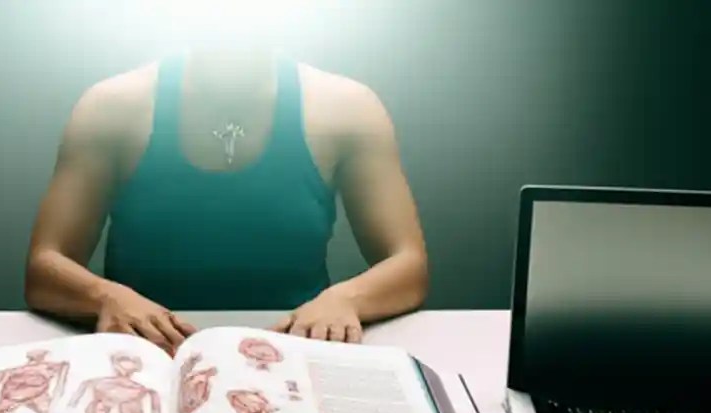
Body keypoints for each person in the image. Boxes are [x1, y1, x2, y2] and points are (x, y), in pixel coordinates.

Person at [23, 40, 428, 354]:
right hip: (146, 353)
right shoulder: (112, 105)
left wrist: (346, 299)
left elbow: (408, 264)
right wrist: (105, 296)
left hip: (294, 350)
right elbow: (45, 268)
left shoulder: (346, 108)